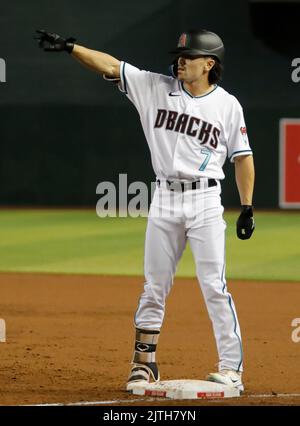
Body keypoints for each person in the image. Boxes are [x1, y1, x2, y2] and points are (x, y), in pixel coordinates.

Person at [35, 29, 255, 392]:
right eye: (181, 55)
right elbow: (108, 64)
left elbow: (243, 158)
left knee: (214, 285)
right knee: (154, 286)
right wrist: (72, 47)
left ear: (210, 64)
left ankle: (232, 368)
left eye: (191, 56)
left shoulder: (227, 105)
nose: (182, 60)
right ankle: (144, 364)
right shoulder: (153, 87)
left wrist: (247, 207)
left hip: (204, 201)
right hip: (165, 198)